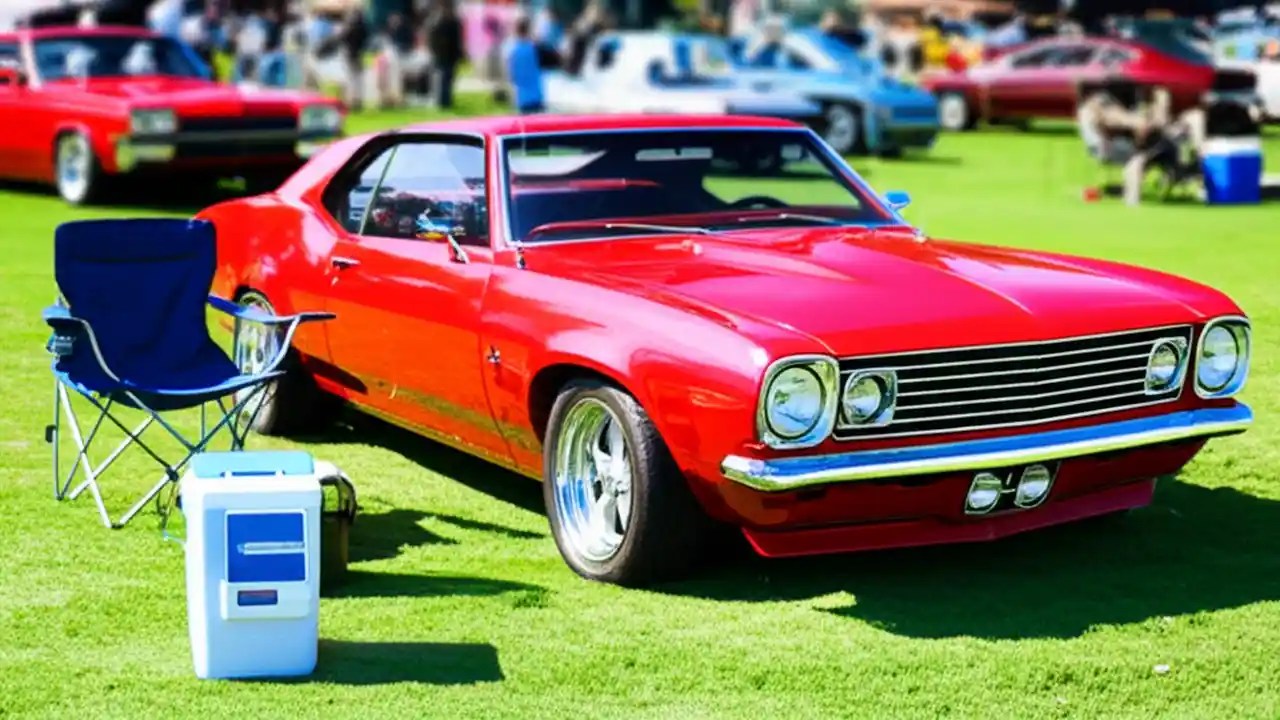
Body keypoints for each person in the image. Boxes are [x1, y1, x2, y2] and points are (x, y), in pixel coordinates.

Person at [428, 0, 463, 109]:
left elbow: (458, 40)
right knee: (443, 79)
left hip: (449, 55)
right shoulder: (438, 22)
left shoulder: (452, 22)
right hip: (443, 55)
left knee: (447, 79)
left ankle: (445, 100)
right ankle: (443, 101)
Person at [505, 14, 543, 114]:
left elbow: (511, 75)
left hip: (522, 97)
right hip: (536, 94)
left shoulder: (512, 50)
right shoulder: (534, 48)